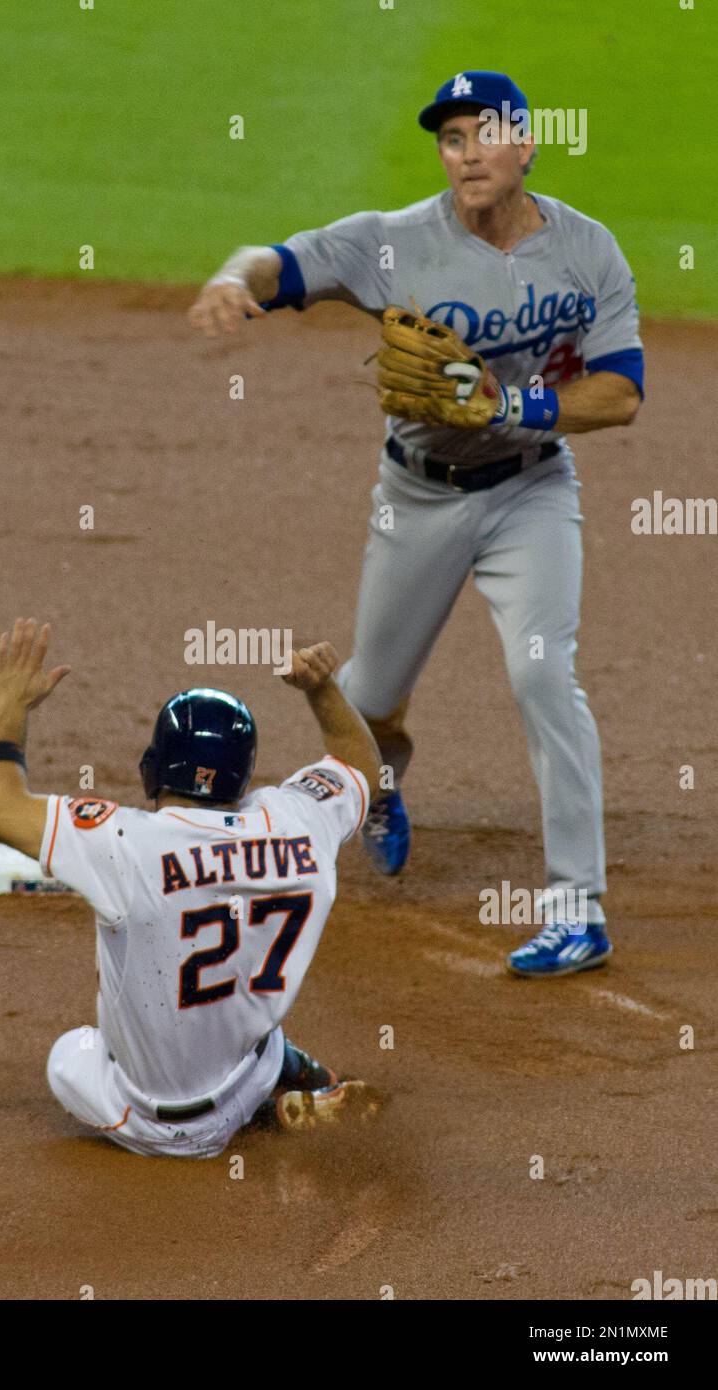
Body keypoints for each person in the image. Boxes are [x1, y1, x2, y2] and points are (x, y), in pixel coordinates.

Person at [188, 70, 644, 978]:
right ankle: (380, 772)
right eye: (449, 139)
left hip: (531, 491)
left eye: (483, 133)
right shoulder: (390, 244)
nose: (465, 152)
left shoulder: (589, 251)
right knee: (367, 700)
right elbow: (274, 261)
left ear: (526, 143)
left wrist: (508, 403)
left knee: (543, 674)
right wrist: (230, 278)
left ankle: (574, 907)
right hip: (418, 499)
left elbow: (621, 393)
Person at [0, 618, 384, 1158]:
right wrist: (321, 688)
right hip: (243, 1074)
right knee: (247, 1015)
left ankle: (263, 1094)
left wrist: (11, 708)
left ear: (155, 767)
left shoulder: (123, 842)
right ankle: (301, 1079)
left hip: (153, 1124)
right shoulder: (297, 819)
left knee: (69, 1055)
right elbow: (362, 769)